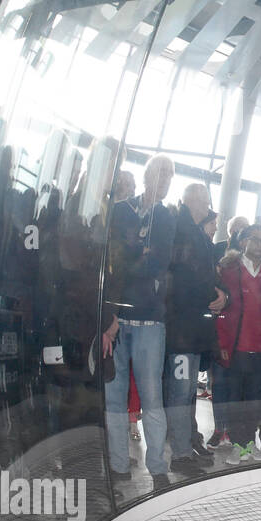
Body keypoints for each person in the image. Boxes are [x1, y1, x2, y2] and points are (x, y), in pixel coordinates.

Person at [104, 154, 177, 490]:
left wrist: (134, 255)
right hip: (118, 318)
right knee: (114, 396)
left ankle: (158, 468)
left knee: (152, 397)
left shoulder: (166, 217)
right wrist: (138, 255)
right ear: (148, 175)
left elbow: (159, 261)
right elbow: (114, 259)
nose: (165, 182)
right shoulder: (121, 210)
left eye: (170, 177)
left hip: (150, 319)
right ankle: (118, 465)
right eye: (161, 175)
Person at [164, 183, 227, 476]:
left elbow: (205, 278)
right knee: (180, 392)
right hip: (180, 333)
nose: (208, 206)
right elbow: (186, 280)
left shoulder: (196, 236)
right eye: (204, 201)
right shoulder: (181, 232)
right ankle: (179, 453)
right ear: (192, 201)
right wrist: (213, 294)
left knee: (188, 391)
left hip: (191, 332)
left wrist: (220, 294)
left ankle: (187, 445)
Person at [215, 224, 261, 465]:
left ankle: (249, 443)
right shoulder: (230, 269)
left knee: (255, 400)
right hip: (236, 346)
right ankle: (237, 444)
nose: (260, 244)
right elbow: (222, 312)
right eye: (255, 239)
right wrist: (222, 343)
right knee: (236, 397)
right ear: (244, 241)